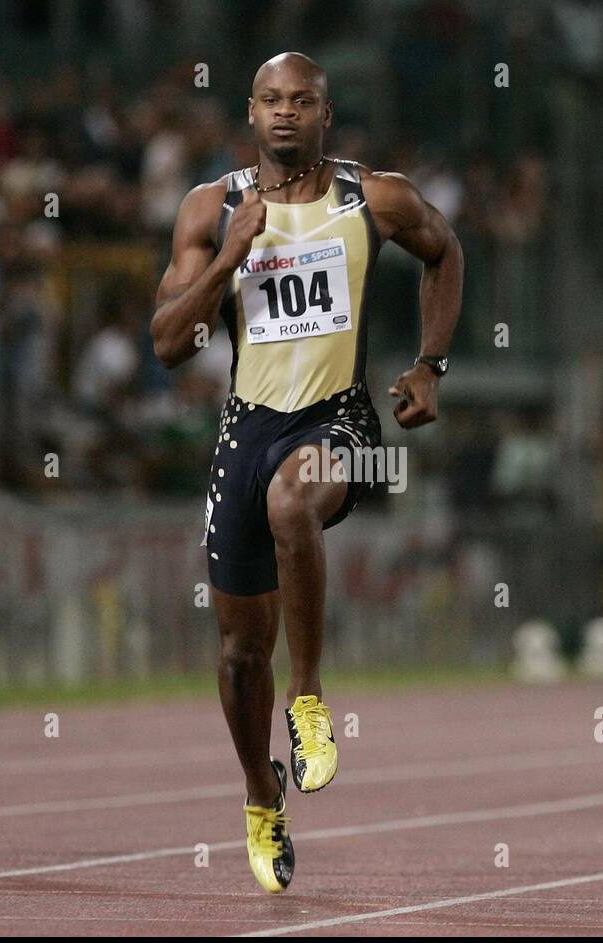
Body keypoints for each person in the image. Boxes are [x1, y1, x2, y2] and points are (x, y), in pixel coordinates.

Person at [151, 53, 463, 893]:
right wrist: (229, 259)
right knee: (238, 652)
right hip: (245, 430)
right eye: (272, 102)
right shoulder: (211, 208)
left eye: (304, 102)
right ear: (250, 113)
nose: (286, 114)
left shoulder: (374, 197)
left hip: (342, 418)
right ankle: (261, 794)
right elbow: (169, 343)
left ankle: (312, 701)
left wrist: (431, 363)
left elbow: (446, 250)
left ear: (326, 114)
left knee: (296, 504)